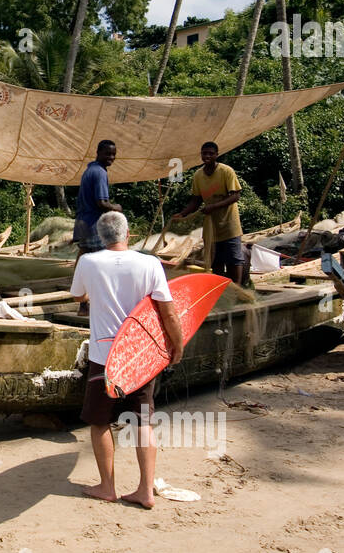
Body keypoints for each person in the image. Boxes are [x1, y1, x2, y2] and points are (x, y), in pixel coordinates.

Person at [69, 211, 184, 510]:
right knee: (143, 421)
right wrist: (178, 345)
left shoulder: (88, 262)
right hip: (140, 355)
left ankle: (107, 487)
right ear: (128, 234)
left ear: (100, 237)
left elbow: (78, 297)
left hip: (103, 357)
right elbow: (168, 311)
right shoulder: (150, 263)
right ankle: (145, 491)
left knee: (99, 421)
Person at [171, 141, 245, 284]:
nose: (207, 156)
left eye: (211, 153)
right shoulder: (198, 175)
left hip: (229, 225)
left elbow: (235, 195)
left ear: (217, 155)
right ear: (201, 155)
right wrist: (182, 214)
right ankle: (220, 291)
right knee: (215, 261)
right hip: (211, 226)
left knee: (233, 260)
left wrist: (214, 206)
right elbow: (196, 201)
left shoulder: (226, 171)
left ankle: (237, 290)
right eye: (204, 153)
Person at [74, 140, 121, 255]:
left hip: (81, 222)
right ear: (98, 152)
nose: (111, 157)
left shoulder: (89, 170)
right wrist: (117, 207)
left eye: (113, 154)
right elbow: (102, 203)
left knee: (84, 254)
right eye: (107, 153)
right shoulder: (100, 172)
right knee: (101, 257)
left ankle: (78, 274)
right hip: (93, 223)